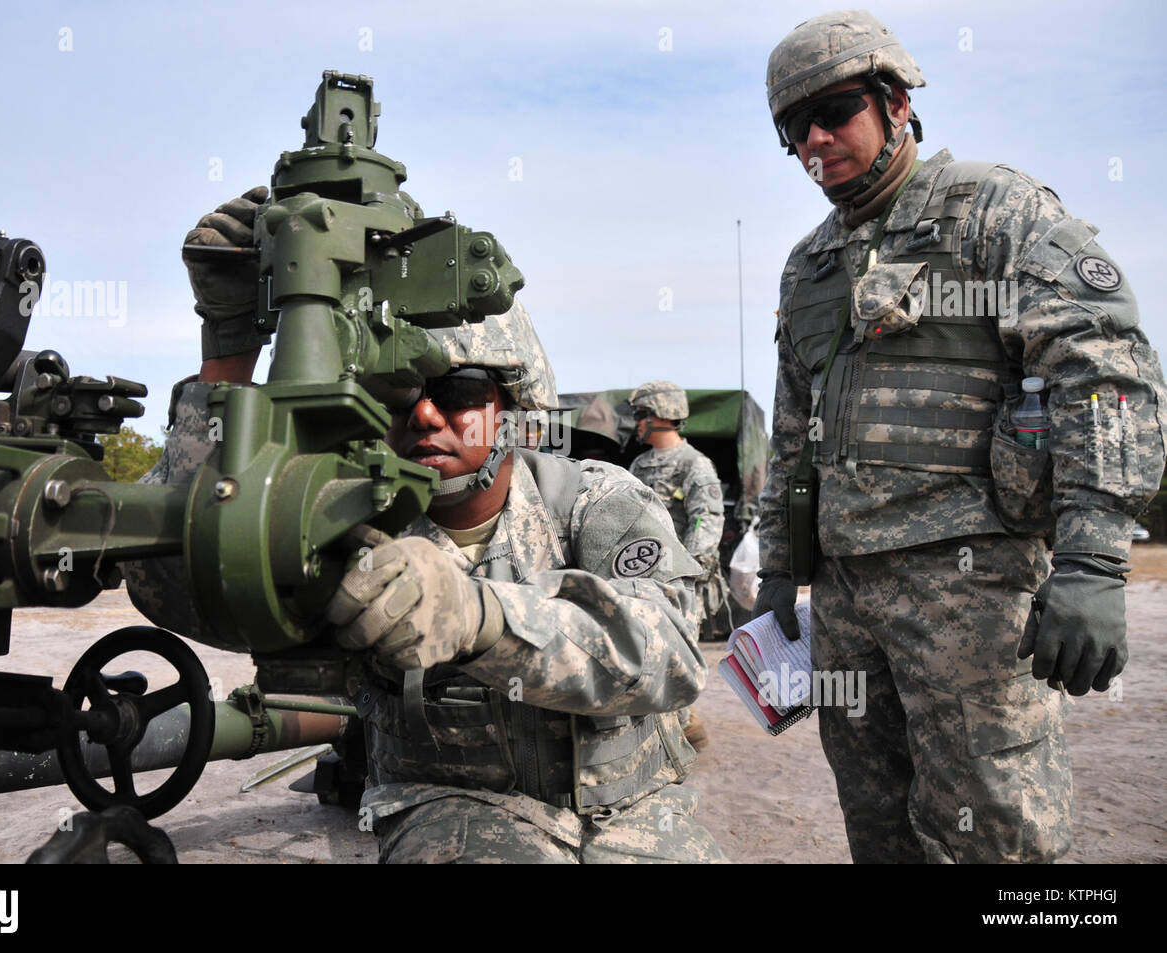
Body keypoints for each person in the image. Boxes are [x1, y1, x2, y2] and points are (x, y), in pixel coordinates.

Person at [126, 188, 728, 863]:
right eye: (399, 394)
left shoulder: (593, 500)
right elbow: (171, 578)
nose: (427, 416)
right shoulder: (339, 518)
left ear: (510, 403)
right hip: (461, 811)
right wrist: (229, 350)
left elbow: (671, 653)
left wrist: (479, 616)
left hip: (639, 810)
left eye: (460, 392)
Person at [755, 10, 1167, 863]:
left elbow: (1106, 372)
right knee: (881, 836)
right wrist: (777, 573)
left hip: (971, 592)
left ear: (896, 101)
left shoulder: (992, 212)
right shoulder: (811, 265)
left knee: (998, 841)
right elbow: (794, 431)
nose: (814, 141)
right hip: (843, 603)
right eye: (793, 128)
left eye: (833, 113)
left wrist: (1093, 561)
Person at [628, 381, 730, 750]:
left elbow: (706, 519)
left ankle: (684, 730)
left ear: (661, 416)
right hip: (642, 578)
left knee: (677, 656)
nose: (636, 423)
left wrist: (686, 571)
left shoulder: (694, 464)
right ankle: (683, 726)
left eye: (640, 414)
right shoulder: (639, 464)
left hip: (683, 582)